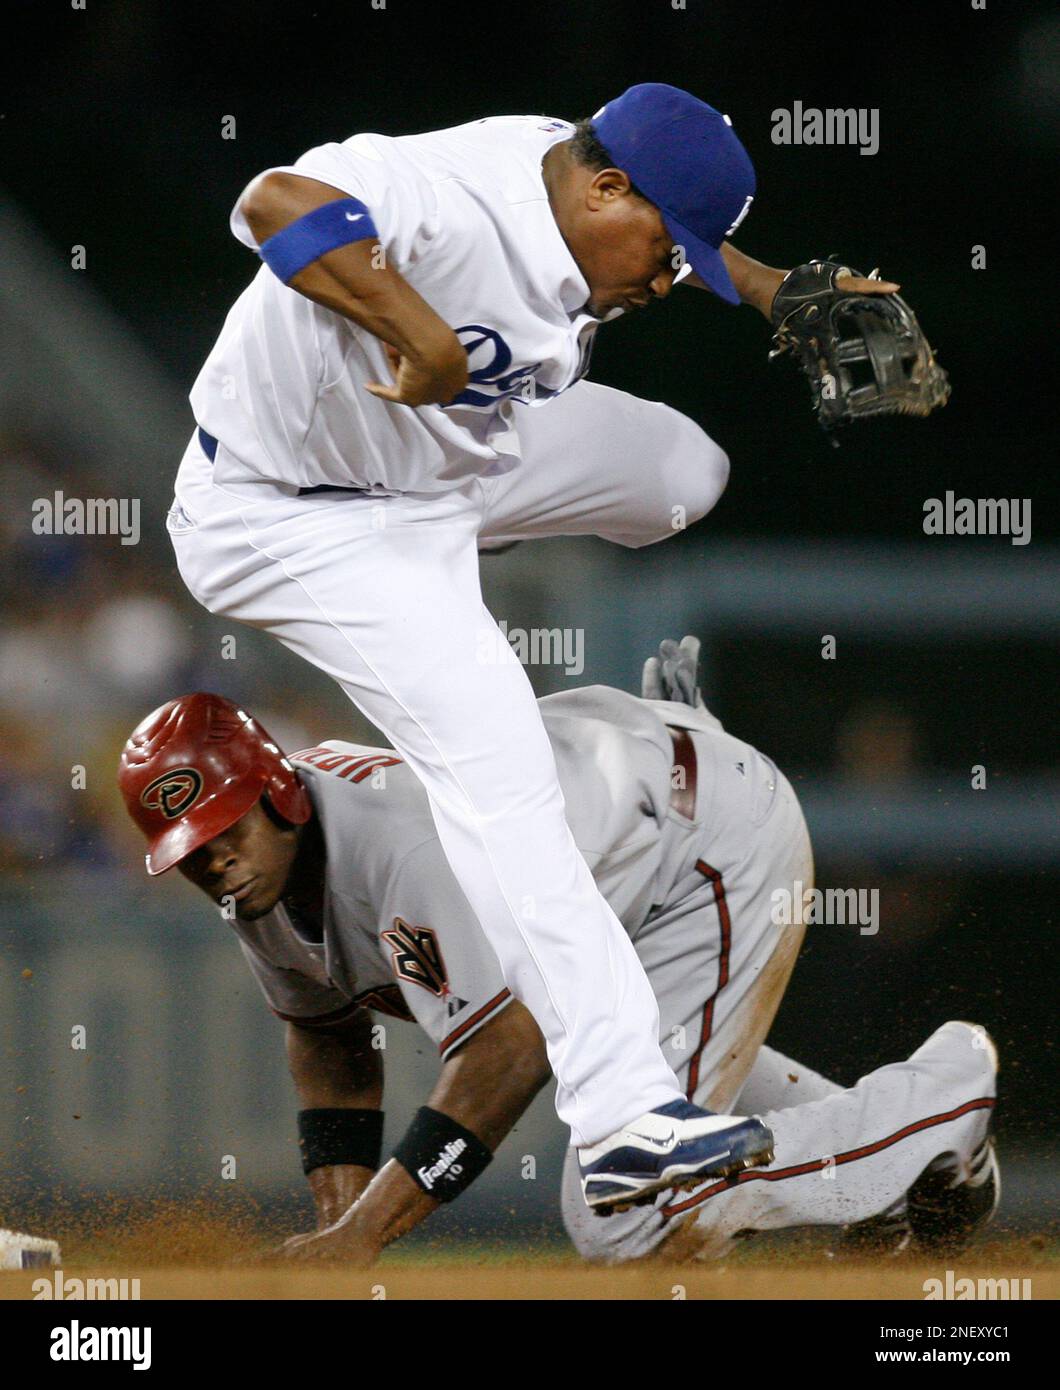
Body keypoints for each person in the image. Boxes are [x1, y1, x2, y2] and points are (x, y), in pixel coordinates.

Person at [166, 82, 898, 1207]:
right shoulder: (455, 197)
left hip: (447, 461)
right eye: (669, 246)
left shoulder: (589, 180)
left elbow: (665, 241)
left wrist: (762, 289)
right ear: (601, 187)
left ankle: (453, 575)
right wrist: (414, 328)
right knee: (500, 774)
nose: (667, 275)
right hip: (297, 511)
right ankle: (623, 1115)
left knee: (682, 470)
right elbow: (278, 199)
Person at [117, 639, 998, 1263]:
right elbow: (330, 1044)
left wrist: (365, 1235)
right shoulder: (259, 885)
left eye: (224, 828)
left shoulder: (396, 846)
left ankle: (935, 1101)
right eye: (188, 851)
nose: (213, 858)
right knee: (648, 1158)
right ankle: (883, 1172)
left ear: (277, 793)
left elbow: (507, 1054)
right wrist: (336, 1232)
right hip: (615, 861)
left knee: (622, 1217)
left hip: (697, 852)